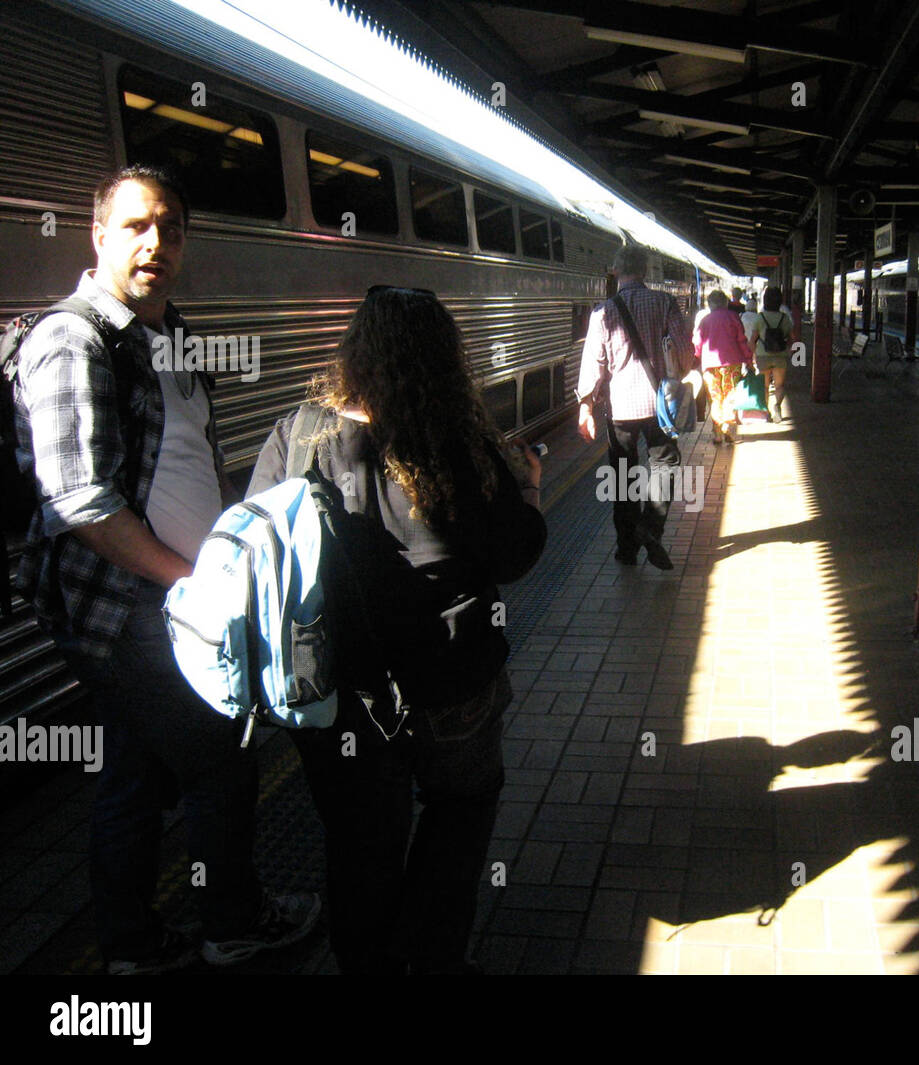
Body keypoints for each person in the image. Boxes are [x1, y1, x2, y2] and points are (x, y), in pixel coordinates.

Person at [12, 164, 320, 973]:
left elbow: (189, 458)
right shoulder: (72, 339)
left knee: (134, 774)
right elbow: (79, 502)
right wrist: (190, 581)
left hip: (170, 595)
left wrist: (236, 548)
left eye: (173, 229)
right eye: (138, 226)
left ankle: (129, 945)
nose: (157, 243)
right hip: (127, 606)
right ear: (98, 235)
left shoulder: (168, 334)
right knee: (221, 759)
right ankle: (232, 920)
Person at [247, 285, 546, 973]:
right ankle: (432, 950)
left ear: (355, 352)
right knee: (460, 811)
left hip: (335, 692)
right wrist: (530, 486)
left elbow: (263, 552)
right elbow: (515, 553)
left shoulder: (298, 432)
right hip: (451, 685)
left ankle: (369, 960)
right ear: (444, 356)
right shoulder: (460, 444)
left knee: (359, 842)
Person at [576, 244, 692, 570]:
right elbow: (684, 350)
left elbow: (593, 363)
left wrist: (585, 406)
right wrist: (679, 373)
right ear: (645, 271)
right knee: (665, 463)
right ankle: (650, 526)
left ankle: (626, 548)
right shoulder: (665, 302)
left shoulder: (603, 311)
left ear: (615, 271)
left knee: (623, 476)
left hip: (621, 408)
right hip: (659, 405)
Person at [694, 289, 752, 445]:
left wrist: (696, 358)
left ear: (710, 304)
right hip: (732, 363)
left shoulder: (705, 320)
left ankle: (717, 433)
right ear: (726, 303)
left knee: (715, 398)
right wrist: (748, 359)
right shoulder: (733, 317)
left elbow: (697, 344)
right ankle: (728, 430)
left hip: (709, 366)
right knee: (730, 396)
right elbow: (741, 340)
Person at [753, 286, 795, 423]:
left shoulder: (760, 318)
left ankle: (766, 412)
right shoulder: (785, 319)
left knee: (764, 386)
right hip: (780, 355)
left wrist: (752, 356)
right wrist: (790, 350)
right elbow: (792, 338)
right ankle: (777, 405)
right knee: (779, 386)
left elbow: (752, 340)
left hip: (762, 355)